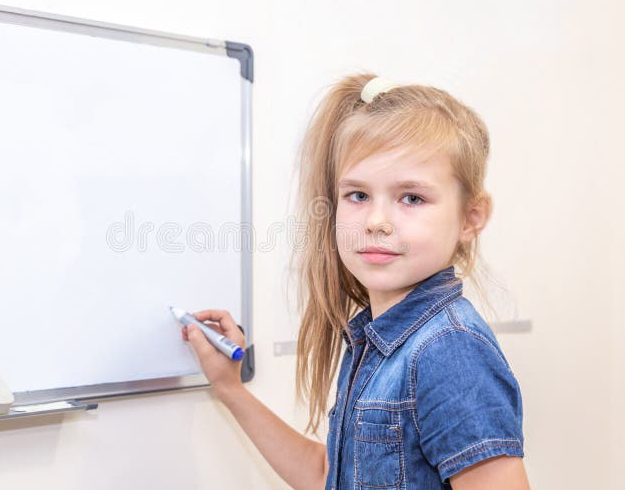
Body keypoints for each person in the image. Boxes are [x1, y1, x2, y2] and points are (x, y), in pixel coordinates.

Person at [180, 74, 530, 489]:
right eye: (358, 196)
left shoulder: (449, 350)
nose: (376, 222)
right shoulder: (376, 340)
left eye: (411, 198)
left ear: (471, 217)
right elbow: (327, 475)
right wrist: (230, 388)